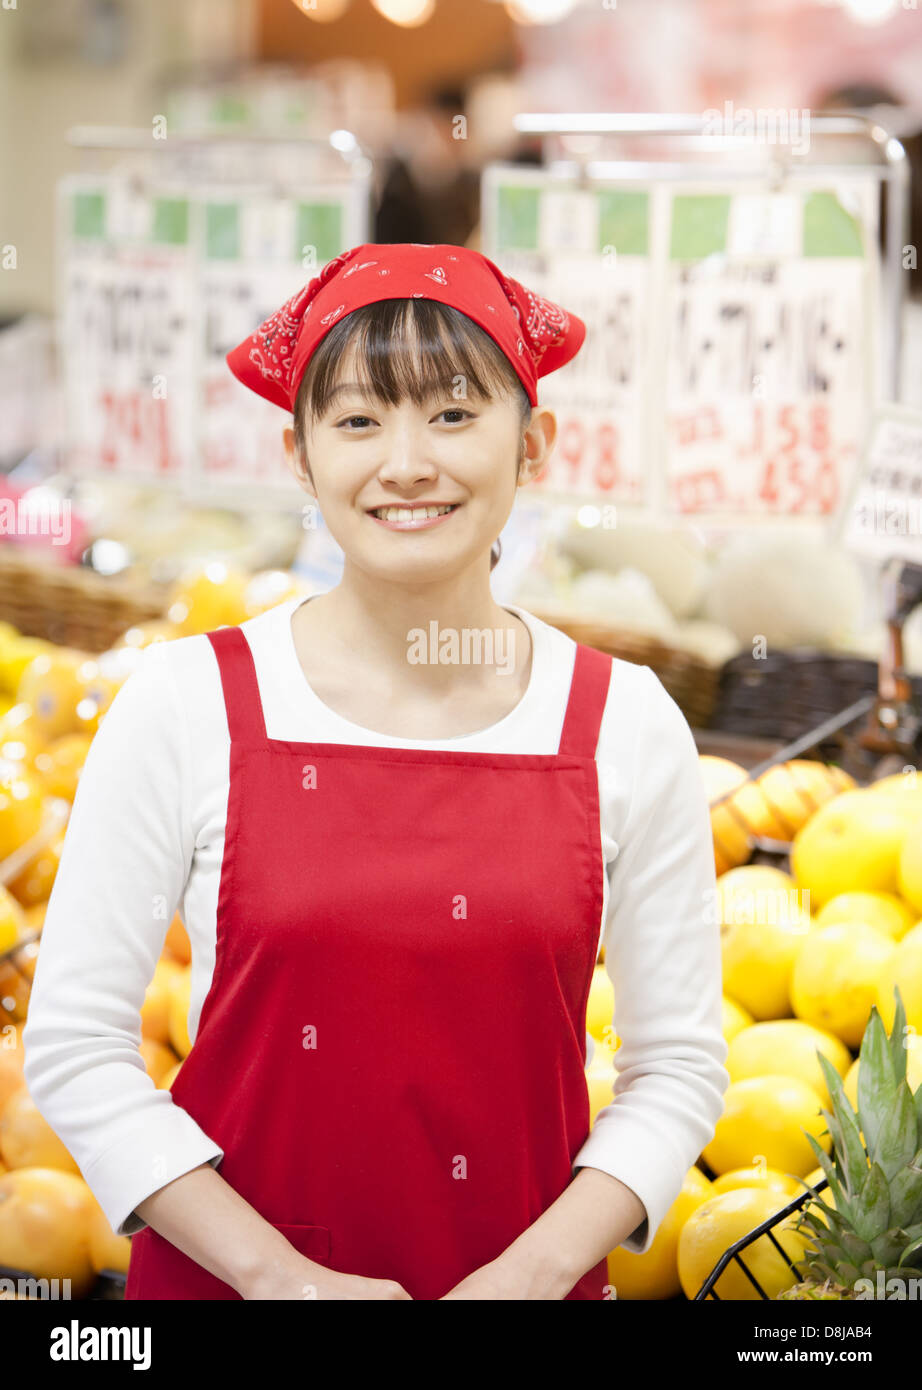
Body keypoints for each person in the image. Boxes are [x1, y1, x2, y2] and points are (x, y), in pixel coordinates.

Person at [22, 242, 729, 1301]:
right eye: (357, 421)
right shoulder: (184, 704)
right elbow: (78, 1046)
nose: (405, 461)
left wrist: (533, 1274)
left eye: (452, 414)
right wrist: (278, 1277)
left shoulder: (624, 723)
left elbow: (676, 1067)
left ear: (534, 444)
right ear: (298, 456)